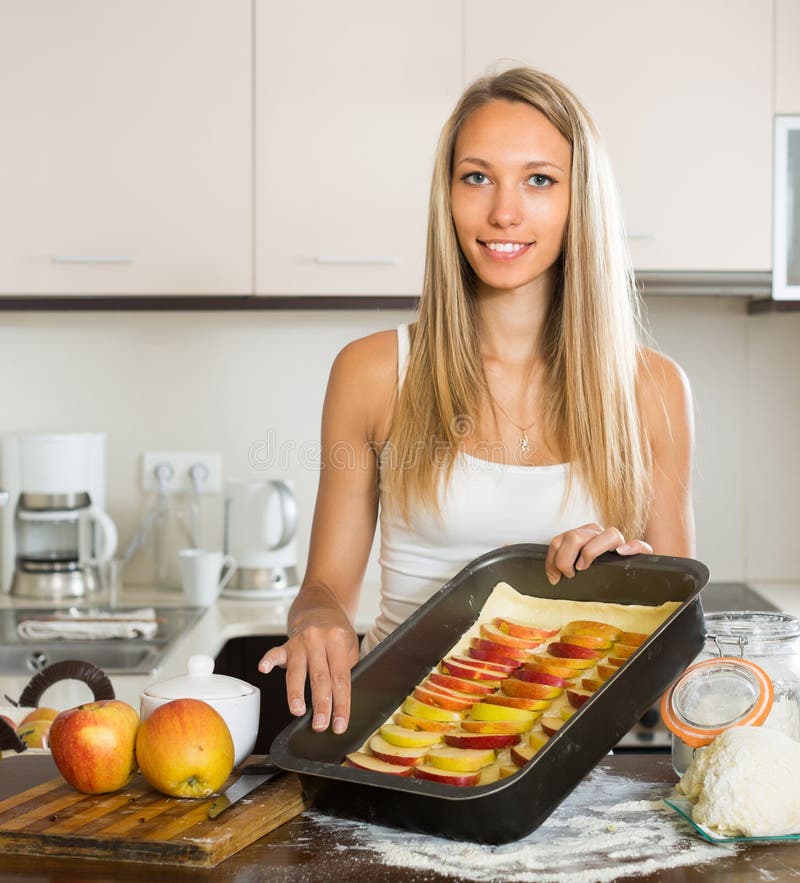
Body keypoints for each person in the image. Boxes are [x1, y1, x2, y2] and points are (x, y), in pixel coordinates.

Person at [259, 67, 694, 736]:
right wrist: (315, 620)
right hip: (393, 739)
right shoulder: (374, 373)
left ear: (581, 200)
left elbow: (674, 684)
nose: (505, 213)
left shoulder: (654, 390)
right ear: (448, 194)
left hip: (563, 766)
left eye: (539, 179)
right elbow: (325, 591)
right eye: (478, 177)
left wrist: (624, 587)